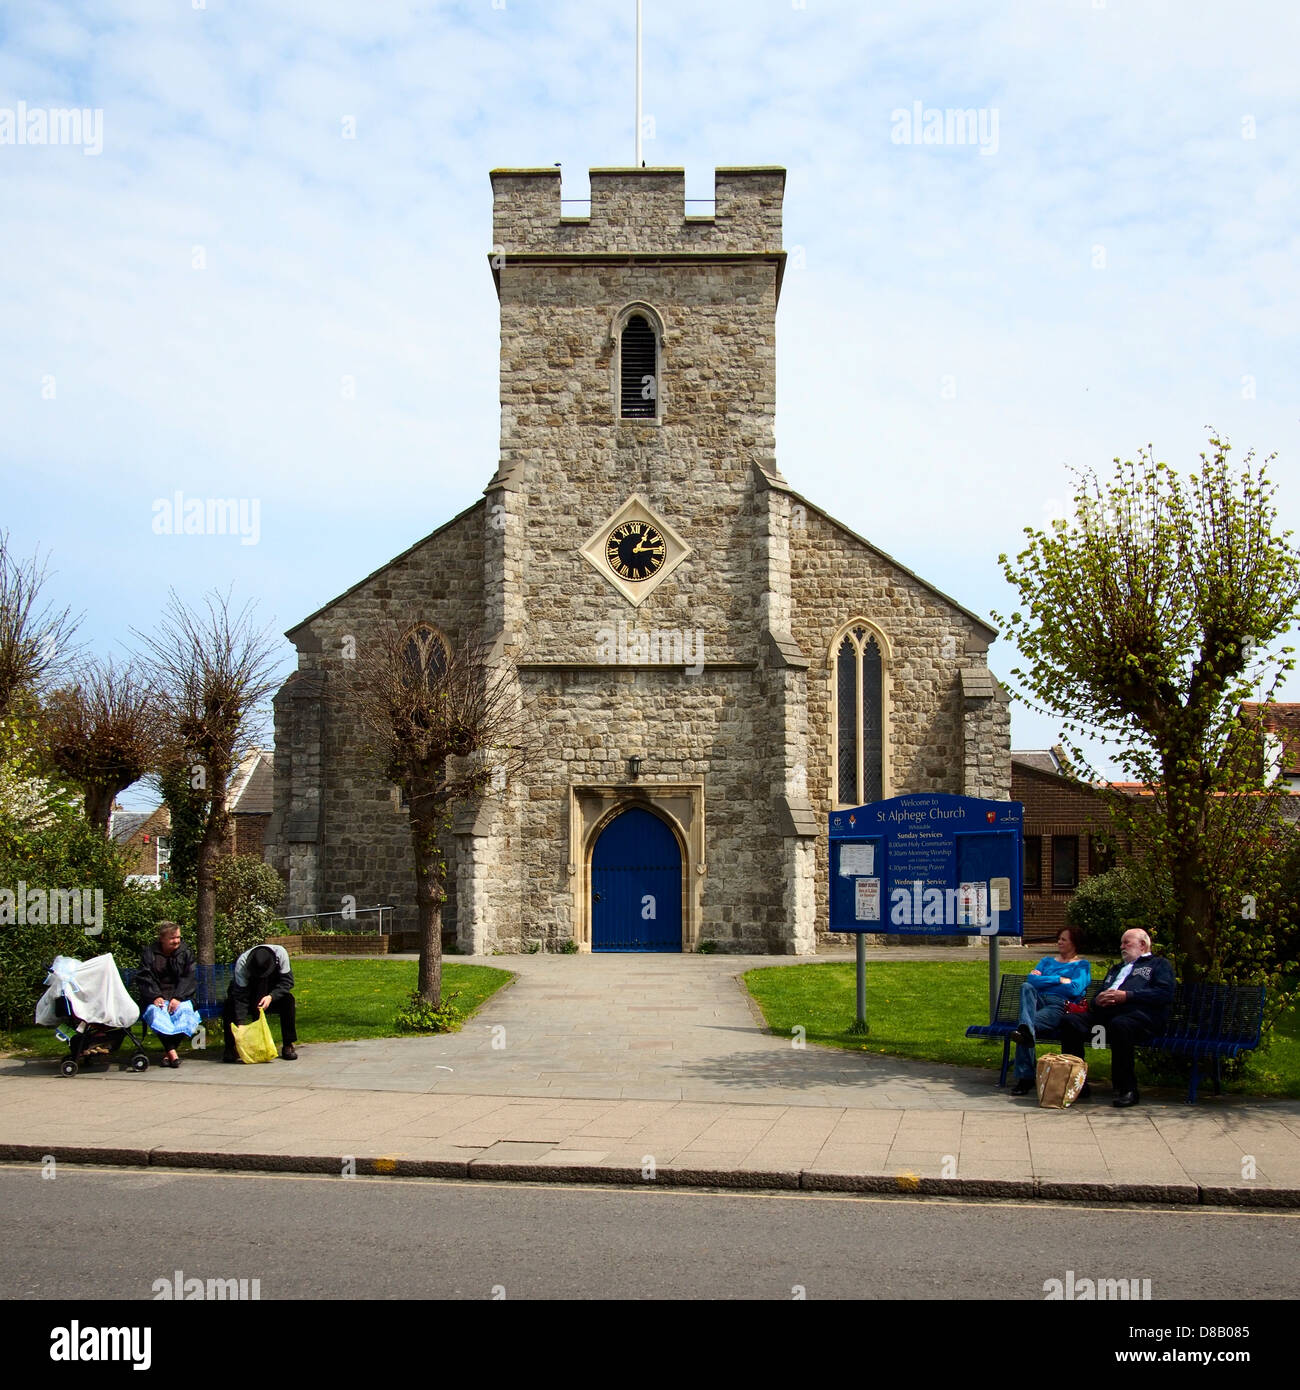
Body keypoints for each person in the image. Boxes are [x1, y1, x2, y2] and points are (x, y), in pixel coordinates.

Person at [1058, 928, 1175, 1108]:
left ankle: (1126, 1088)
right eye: (1121, 943)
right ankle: (1078, 1083)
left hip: (1140, 1018)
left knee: (1120, 1025)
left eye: (1126, 942)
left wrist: (1127, 996)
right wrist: (1098, 1000)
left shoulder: (1159, 965)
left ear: (1142, 945)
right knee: (1070, 1021)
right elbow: (1097, 997)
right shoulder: (1117, 968)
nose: (1122, 947)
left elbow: (1164, 993)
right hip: (1106, 1016)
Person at [1008, 926, 1091, 1095]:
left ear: (1074, 943)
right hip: (1036, 1001)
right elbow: (1032, 979)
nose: (1059, 942)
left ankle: (1025, 1078)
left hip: (1058, 1005)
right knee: (1026, 987)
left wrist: (1044, 980)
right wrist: (1060, 979)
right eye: (1059, 938)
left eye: (1064, 939)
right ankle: (1025, 1028)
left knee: (1025, 1030)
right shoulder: (1046, 961)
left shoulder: (1081, 965)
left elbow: (1075, 989)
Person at [133, 920, 199, 1069]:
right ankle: (172, 1052)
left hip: (180, 995)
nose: (176, 941)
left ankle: (168, 1053)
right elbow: (145, 977)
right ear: (162, 938)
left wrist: (178, 997)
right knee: (157, 1014)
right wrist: (155, 996)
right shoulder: (149, 953)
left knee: (186, 1014)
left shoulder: (186, 953)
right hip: (156, 996)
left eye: (178, 937)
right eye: (172, 938)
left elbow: (188, 977)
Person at [222, 943, 298, 1062]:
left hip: (271, 993)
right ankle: (230, 1047)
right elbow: (240, 996)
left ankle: (288, 1044)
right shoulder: (242, 963)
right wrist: (240, 1024)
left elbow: (287, 982)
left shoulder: (281, 954)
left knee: (288, 1000)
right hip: (250, 993)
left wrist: (271, 996)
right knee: (229, 1005)